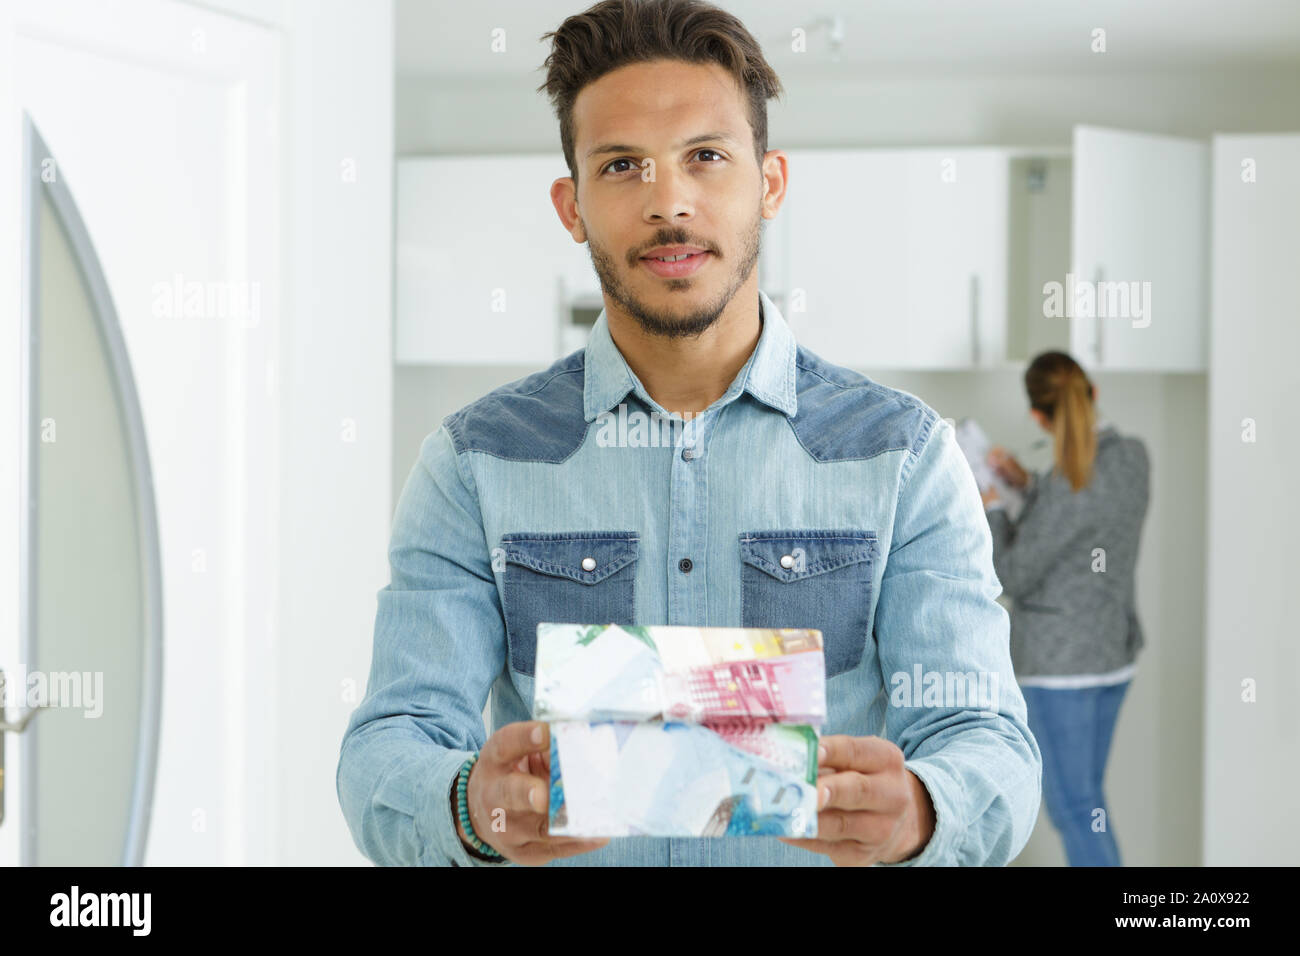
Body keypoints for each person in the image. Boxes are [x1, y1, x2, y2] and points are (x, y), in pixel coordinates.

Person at [336, 0, 1041, 867]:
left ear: (770, 182)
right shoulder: (472, 465)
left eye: (705, 157)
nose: (668, 201)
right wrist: (464, 802)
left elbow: (988, 737)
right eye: (622, 165)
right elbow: (390, 739)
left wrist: (926, 812)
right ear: (573, 206)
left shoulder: (905, 460)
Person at [982, 350, 1149, 866]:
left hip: (1058, 669)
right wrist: (1028, 485)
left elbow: (1010, 573)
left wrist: (992, 506)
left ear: (1038, 416)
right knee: (1089, 800)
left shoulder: (1065, 485)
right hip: (1113, 657)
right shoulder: (1133, 456)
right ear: (1091, 392)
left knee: (1075, 809)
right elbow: (1079, 522)